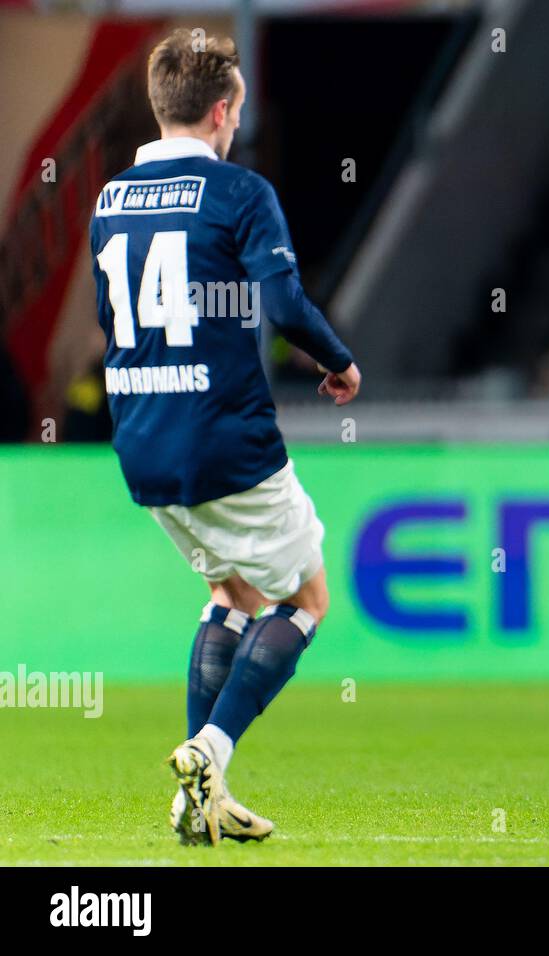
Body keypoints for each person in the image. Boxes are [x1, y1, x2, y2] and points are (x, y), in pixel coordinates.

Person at [89, 30, 361, 844]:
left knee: (229, 595)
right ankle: (208, 748)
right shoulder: (240, 193)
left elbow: (113, 325)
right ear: (221, 110)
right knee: (306, 598)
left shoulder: (109, 200)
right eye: (237, 109)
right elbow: (282, 310)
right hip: (224, 439)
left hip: (141, 439)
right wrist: (340, 362)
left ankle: (196, 800)